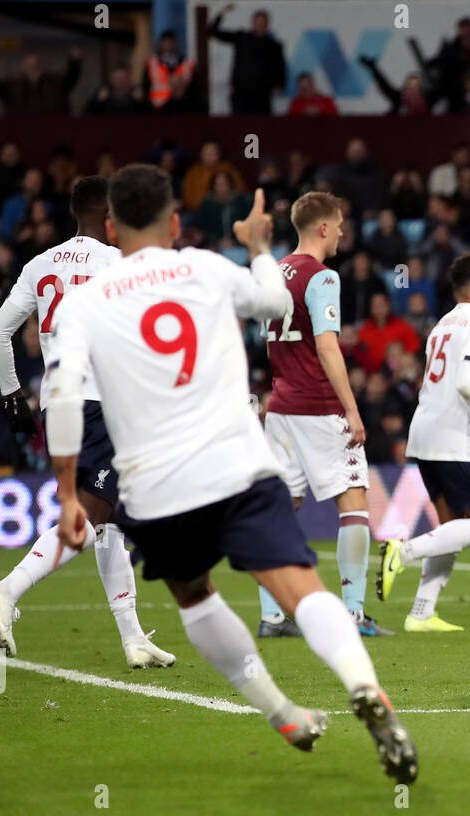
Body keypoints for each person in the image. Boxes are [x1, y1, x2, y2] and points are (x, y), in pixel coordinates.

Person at [42, 163, 416, 780]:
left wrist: (65, 495)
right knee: (300, 585)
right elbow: (272, 298)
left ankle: (281, 713)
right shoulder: (205, 268)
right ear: (177, 221)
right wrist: (259, 245)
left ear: (110, 226)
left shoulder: (83, 303)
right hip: (239, 465)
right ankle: (365, 687)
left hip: (155, 487)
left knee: (194, 595)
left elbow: (59, 398)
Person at [0, 176, 175, 669]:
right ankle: (8, 588)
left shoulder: (40, 264)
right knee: (93, 515)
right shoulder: (120, 263)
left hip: (57, 404)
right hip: (102, 402)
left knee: (108, 527)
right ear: (110, 217)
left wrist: (12, 396)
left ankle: (133, 638)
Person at [255, 190, 392, 638]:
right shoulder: (323, 277)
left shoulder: (272, 273)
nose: (343, 232)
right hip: (318, 406)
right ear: (323, 228)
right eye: (339, 224)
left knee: (280, 507)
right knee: (354, 502)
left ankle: (273, 615)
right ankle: (352, 612)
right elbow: (328, 347)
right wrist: (352, 410)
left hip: (281, 406)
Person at [376, 252, 470, 631]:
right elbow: (465, 384)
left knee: (450, 527)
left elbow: (447, 389)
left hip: (425, 434)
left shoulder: (440, 326)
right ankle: (402, 551)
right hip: (456, 442)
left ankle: (422, 612)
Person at [208, 4, 285, 114]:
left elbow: (280, 67)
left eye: (262, 22)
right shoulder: (242, 38)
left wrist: (280, 84)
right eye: (257, 22)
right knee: (240, 126)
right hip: (241, 93)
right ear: (253, 23)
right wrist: (222, 12)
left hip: (263, 95)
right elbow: (212, 32)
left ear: (267, 24)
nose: (259, 25)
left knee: (262, 127)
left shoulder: (274, 45)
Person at [145, 30, 197, 113]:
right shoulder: (152, 63)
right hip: (158, 107)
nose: (168, 45)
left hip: (184, 107)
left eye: (171, 42)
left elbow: (194, 86)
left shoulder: (186, 63)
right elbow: (146, 86)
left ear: (176, 43)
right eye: (166, 42)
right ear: (161, 43)